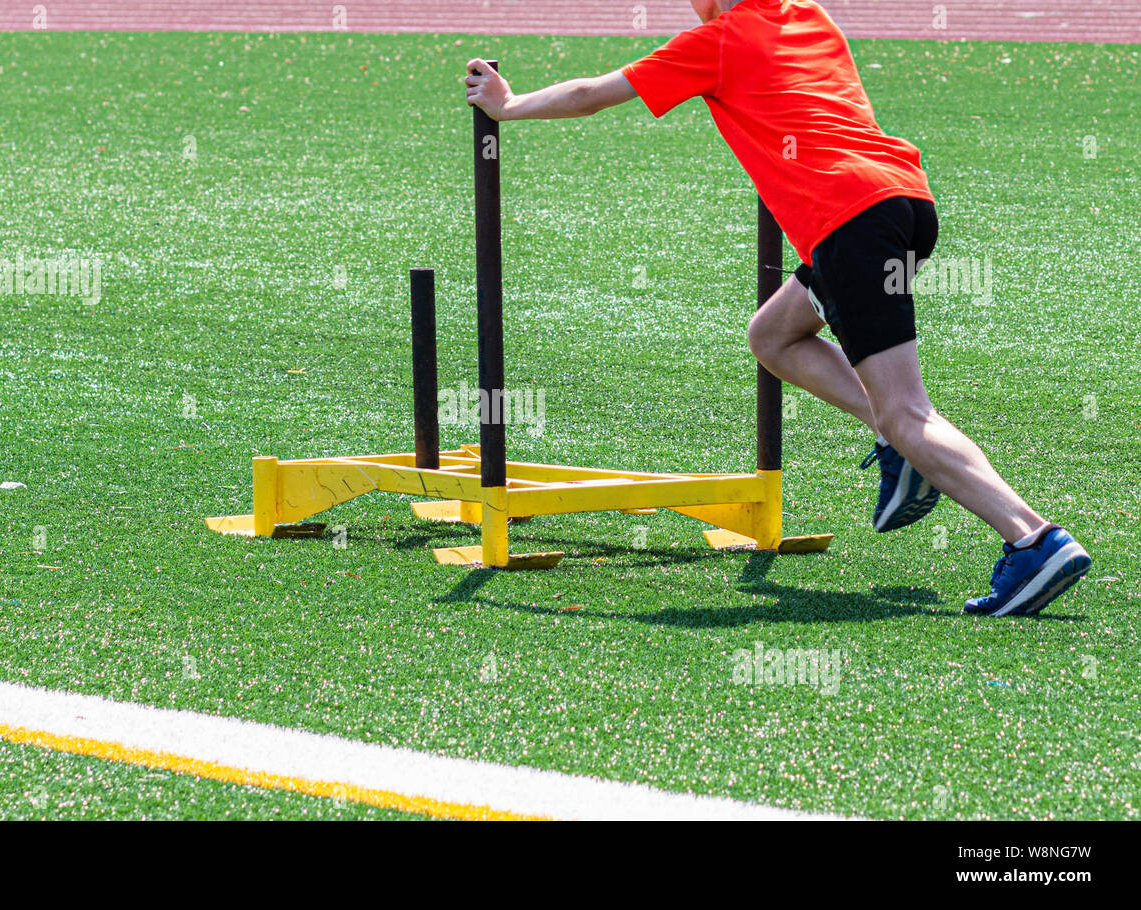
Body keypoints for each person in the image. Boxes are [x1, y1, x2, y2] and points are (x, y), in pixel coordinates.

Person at [463, 0, 1090, 616]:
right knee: (775, 336)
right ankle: (903, 452)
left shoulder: (716, 41)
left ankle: (1032, 538)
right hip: (903, 203)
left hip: (848, 223)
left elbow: (588, 93)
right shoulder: (810, 14)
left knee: (907, 412)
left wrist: (508, 105)